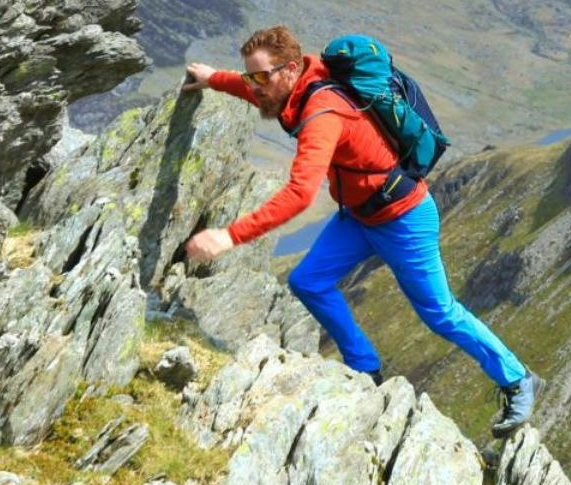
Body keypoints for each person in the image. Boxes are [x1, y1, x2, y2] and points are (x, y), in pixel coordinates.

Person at [180, 25, 541, 438]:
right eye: (250, 76)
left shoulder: (323, 112)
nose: (255, 85)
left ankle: (517, 379)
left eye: (260, 75)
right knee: (307, 281)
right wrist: (214, 78)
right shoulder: (298, 85)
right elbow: (261, 93)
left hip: (404, 218)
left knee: (440, 313)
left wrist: (229, 236)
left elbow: (300, 193)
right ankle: (365, 367)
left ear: (291, 69)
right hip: (359, 216)